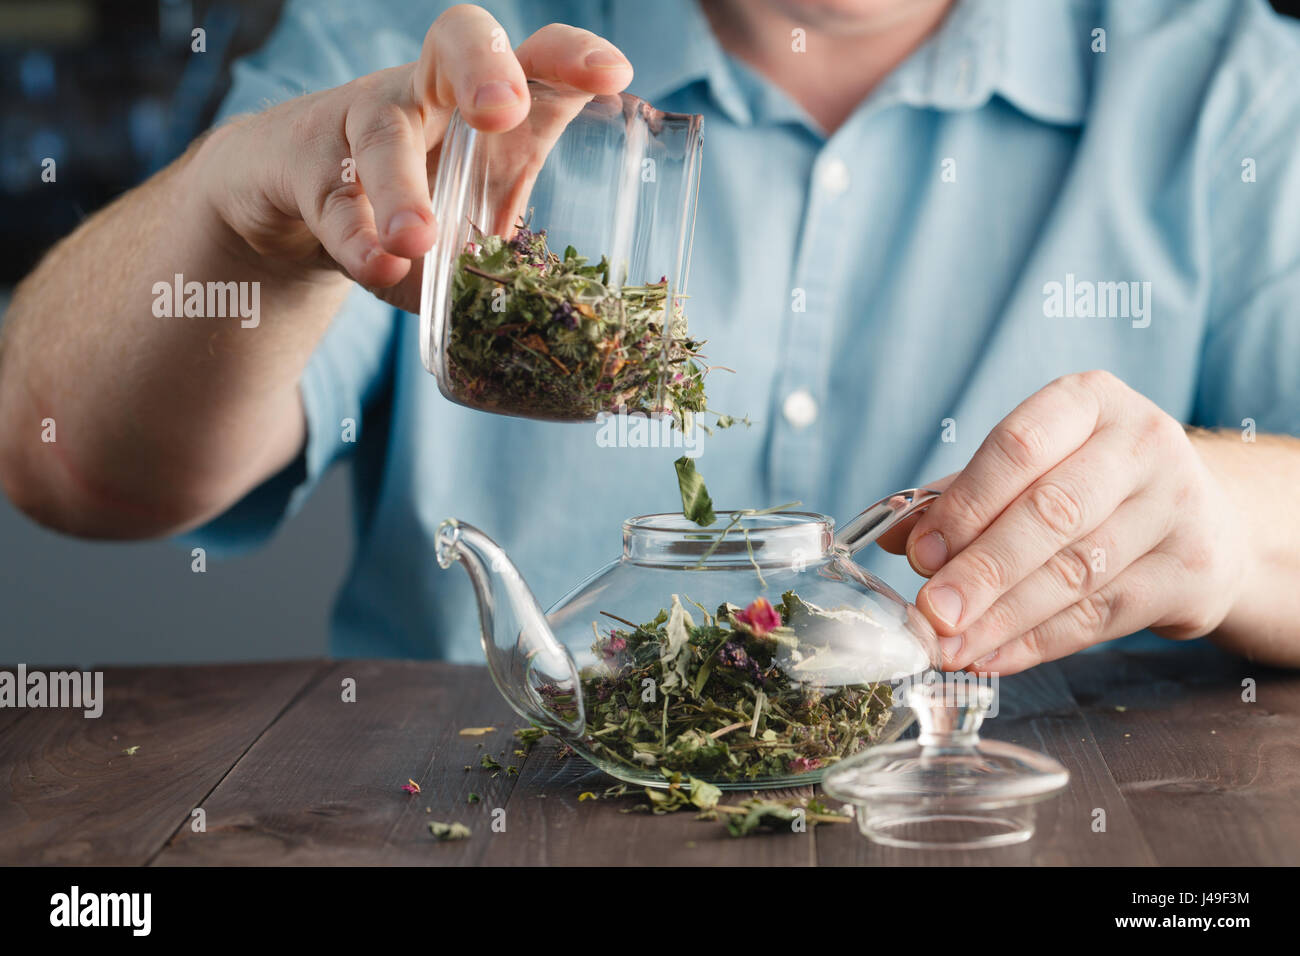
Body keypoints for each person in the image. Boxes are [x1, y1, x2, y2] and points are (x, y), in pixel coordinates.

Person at [2, 0, 1298, 673]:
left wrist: (1227, 521)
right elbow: (61, 458)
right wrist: (246, 224)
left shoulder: (1227, 89)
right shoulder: (439, 43)